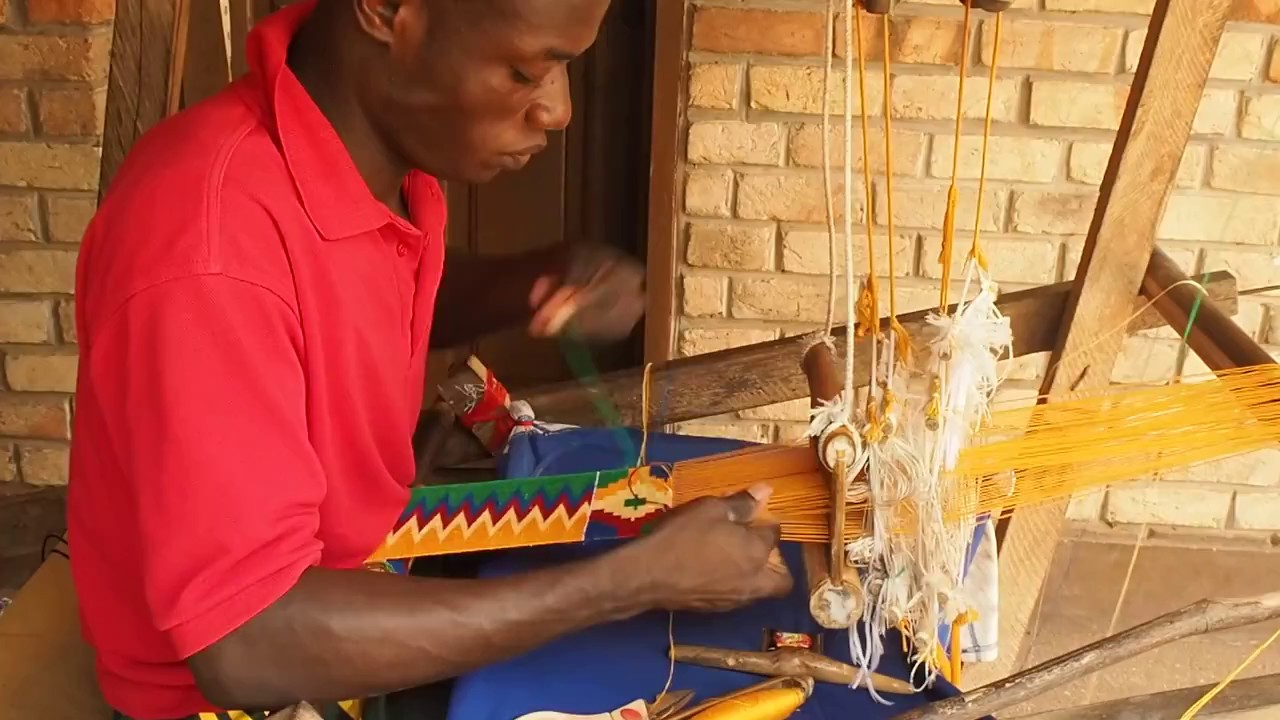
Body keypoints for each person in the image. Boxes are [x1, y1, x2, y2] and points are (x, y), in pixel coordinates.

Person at [66, 1, 793, 719]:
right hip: (244, 686)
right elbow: (248, 640)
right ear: (386, 12)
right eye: (523, 71)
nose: (558, 111)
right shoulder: (208, 251)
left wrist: (536, 281)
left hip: (352, 580)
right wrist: (632, 582)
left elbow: (353, 294)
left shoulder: (371, 165)